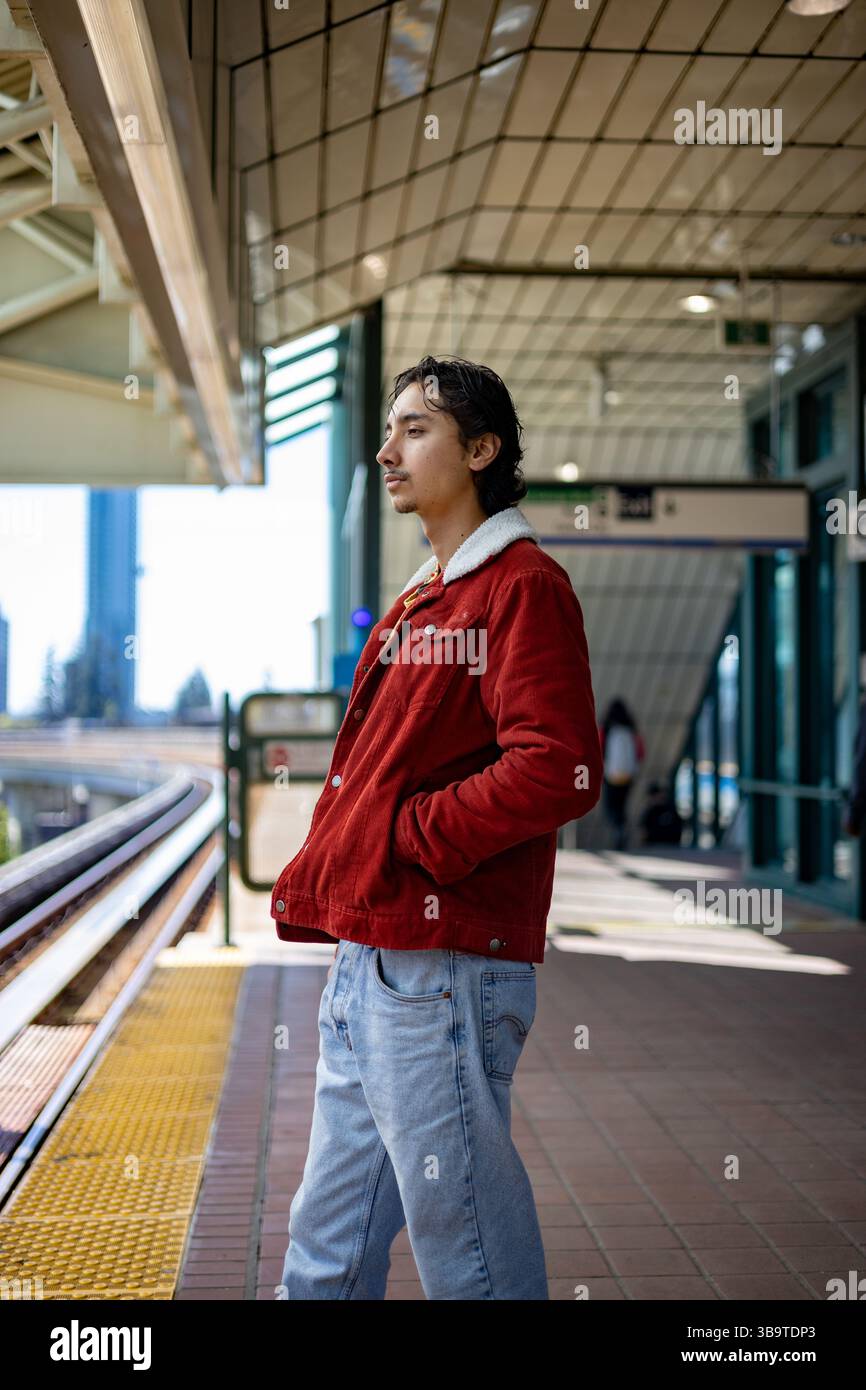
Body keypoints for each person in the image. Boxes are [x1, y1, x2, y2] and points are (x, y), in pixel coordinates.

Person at [271, 355, 602, 1300]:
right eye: (389, 429)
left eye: (415, 429)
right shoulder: (423, 600)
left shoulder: (520, 588)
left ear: (483, 449)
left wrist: (415, 838)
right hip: (372, 958)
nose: (387, 451)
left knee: (469, 1255)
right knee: (325, 1245)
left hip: (441, 965)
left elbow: (558, 764)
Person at [599, 697, 644, 850]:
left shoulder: (606, 729)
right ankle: (621, 828)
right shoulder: (631, 730)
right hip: (629, 775)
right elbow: (640, 752)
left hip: (610, 774)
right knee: (622, 806)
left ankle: (617, 829)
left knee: (611, 806)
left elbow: (598, 749)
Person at [640, 780, 683, 846]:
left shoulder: (670, 809)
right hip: (653, 845)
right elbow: (644, 831)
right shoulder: (650, 811)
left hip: (670, 845)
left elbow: (678, 827)